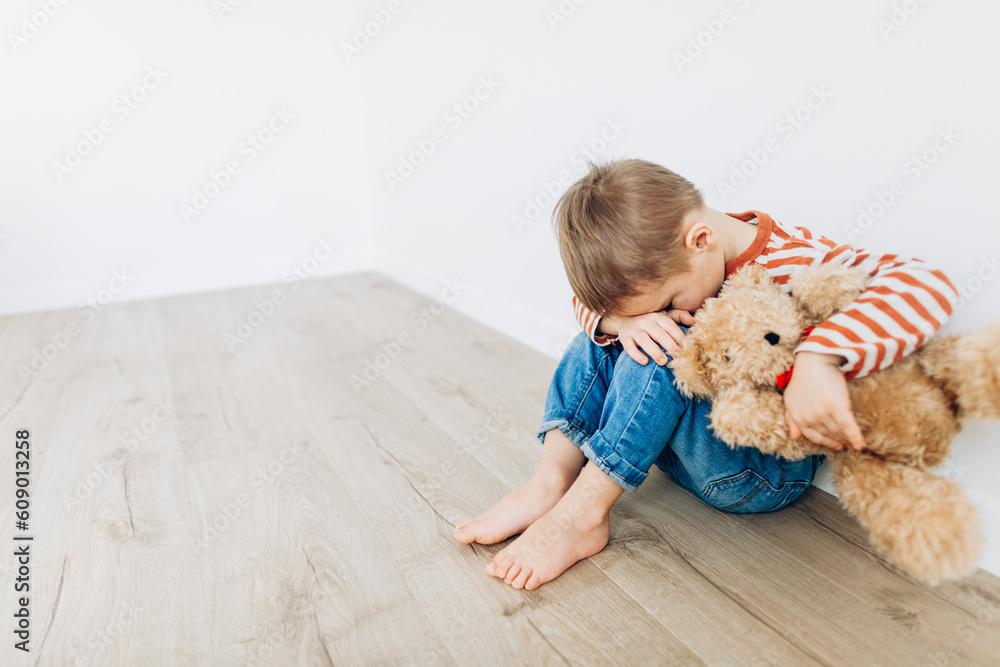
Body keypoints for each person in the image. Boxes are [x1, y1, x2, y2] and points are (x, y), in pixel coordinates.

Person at [453, 158, 959, 591]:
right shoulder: (682, 260)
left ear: (701, 240)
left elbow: (925, 284)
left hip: (756, 471)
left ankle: (584, 513)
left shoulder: (797, 261)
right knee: (609, 335)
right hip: (671, 447)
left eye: (671, 299)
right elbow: (590, 306)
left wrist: (820, 358)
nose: (669, 310)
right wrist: (624, 320)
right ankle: (549, 483)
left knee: (667, 346)